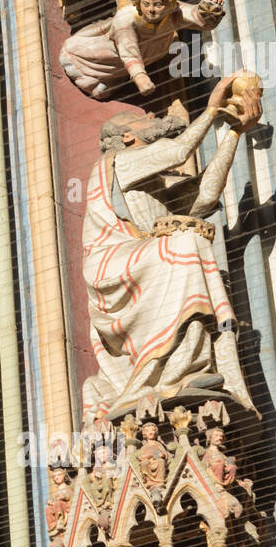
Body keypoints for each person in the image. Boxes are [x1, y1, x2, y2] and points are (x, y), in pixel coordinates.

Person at [81, 72, 263, 422]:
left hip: (146, 258)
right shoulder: (114, 164)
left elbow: (207, 194)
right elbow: (181, 150)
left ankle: (187, 369)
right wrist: (211, 111)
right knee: (182, 245)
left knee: (188, 243)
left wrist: (236, 131)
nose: (151, 117)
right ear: (127, 136)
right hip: (112, 264)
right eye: (142, 119)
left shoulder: (149, 185)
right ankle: (174, 372)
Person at [60, 0, 224, 99]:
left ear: (167, 4)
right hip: (106, 50)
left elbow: (197, 17)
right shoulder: (127, 18)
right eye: (146, 4)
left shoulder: (171, 11)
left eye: (157, 5)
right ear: (139, 3)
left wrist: (209, 8)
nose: (152, 9)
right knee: (83, 58)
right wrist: (140, 77)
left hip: (146, 52)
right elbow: (127, 49)